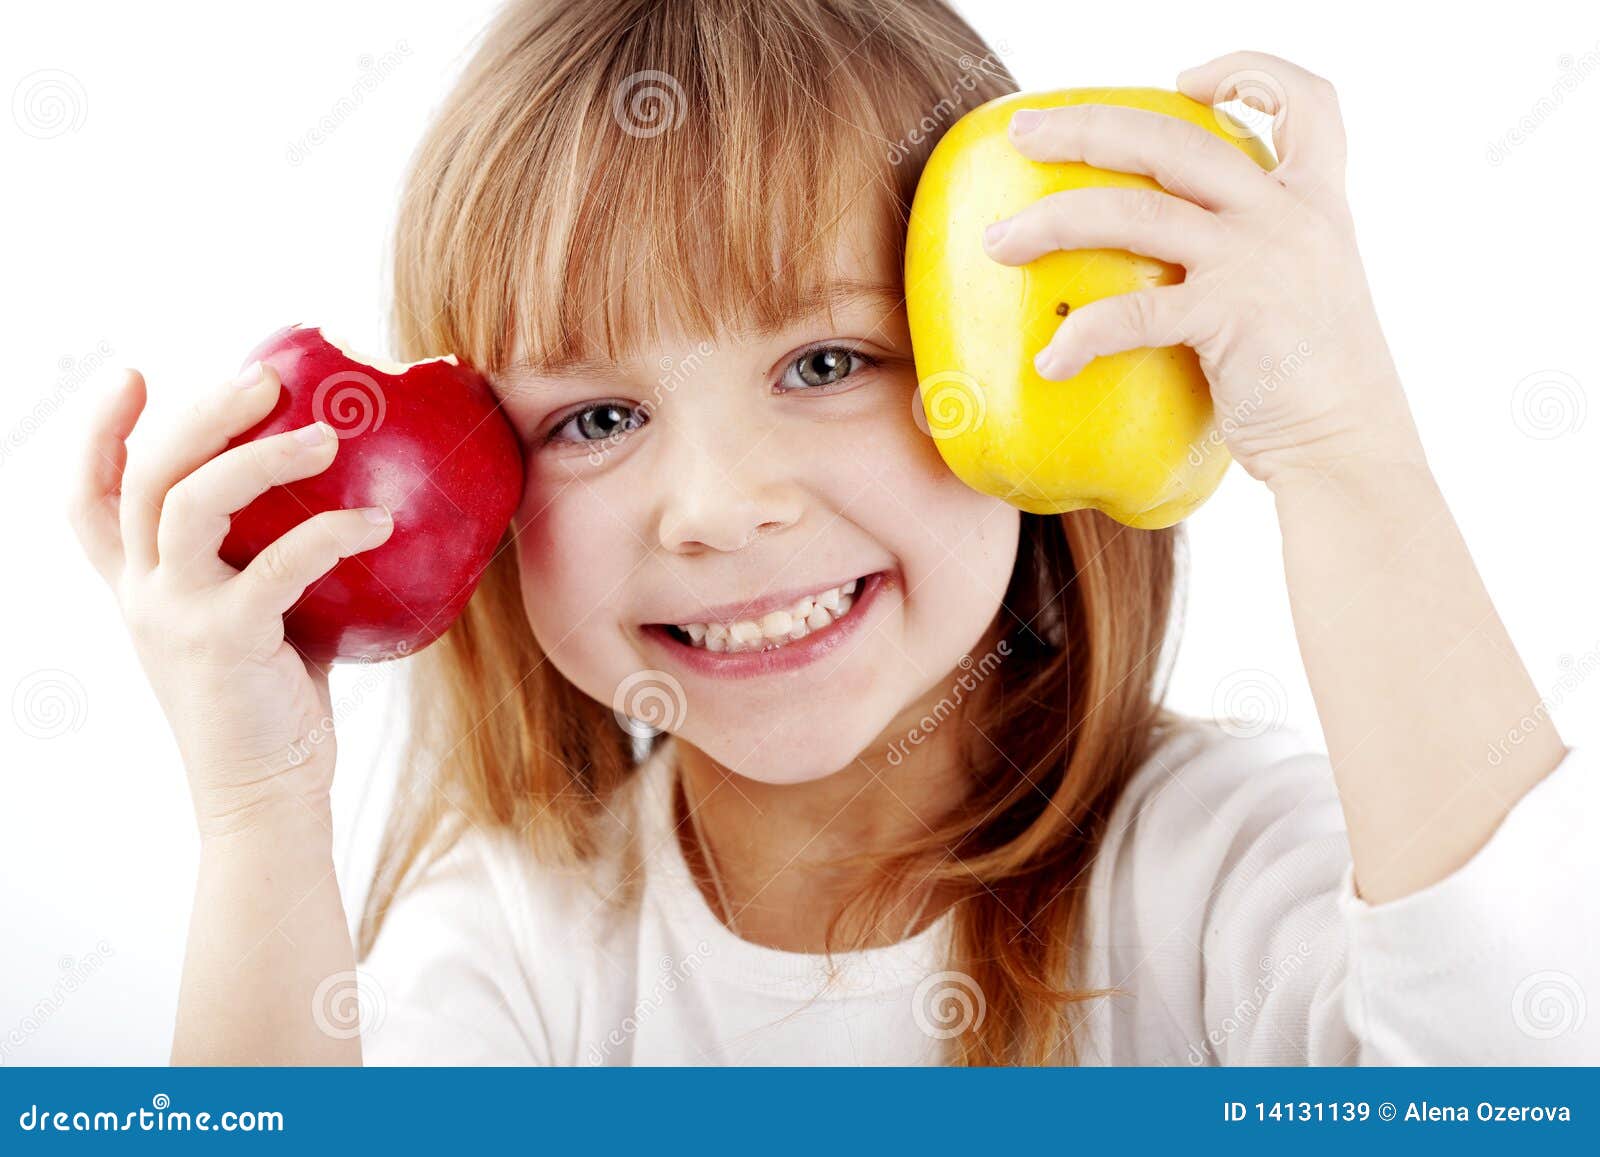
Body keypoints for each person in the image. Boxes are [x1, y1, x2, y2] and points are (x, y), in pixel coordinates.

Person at [68, 0, 1595, 1065]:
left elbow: (1514, 1079)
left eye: (825, 363)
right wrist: (260, 811)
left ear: (1011, 359)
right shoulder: (524, 947)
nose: (722, 504)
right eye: (594, 418)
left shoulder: (1220, 871)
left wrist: (1342, 446)